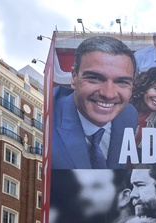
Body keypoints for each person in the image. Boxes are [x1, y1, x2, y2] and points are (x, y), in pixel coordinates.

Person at [51, 36, 139, 169]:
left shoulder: (129, 115)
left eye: (122, 82)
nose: (108, 94)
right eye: (95, 78)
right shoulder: (47, 112)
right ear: (74, 77)